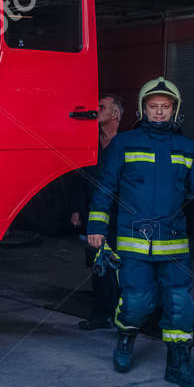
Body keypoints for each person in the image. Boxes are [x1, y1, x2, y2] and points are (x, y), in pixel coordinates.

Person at [87, 77, 194, 387]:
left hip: (174, 246)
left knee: (180, 305)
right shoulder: (123, 144)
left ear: (174, 110)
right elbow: (105, 188)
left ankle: (178, 366)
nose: (158, 112)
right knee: (136, 303)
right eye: (153, 106)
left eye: (165, 107)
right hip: (133, 243)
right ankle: (126, 338)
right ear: (143, 109)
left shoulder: (188, 149)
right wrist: (97, 227)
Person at [70, 94, 125, 330]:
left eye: (101, 107)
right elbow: (79, 177)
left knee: (119, 267)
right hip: (93, 216)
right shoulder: (90, 143)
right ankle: (100, 316)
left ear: (115, 114)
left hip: (120, 216)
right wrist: (76, 209)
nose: (96, 110)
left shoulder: (127, 145)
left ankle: (122, 318)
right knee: (98, 265)